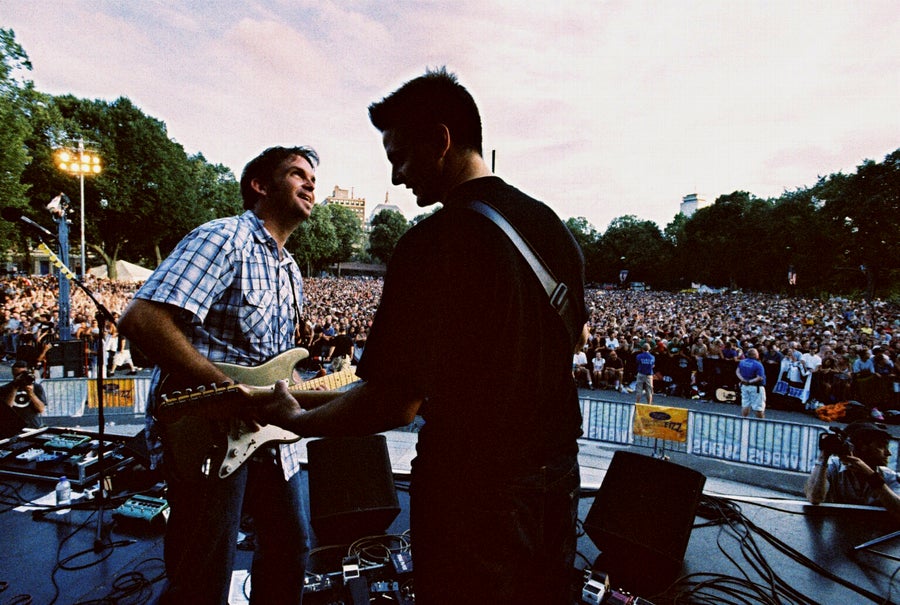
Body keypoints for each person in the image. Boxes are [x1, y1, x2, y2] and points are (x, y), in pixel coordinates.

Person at [256, 68, 587, 604]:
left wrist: (298, 421)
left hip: (472, 496)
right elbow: (569, 341)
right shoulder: (555, 230)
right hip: (555, 484)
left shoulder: (432, 244)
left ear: (441, 139)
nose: (399, 175)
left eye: (401, 156)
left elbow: (393, 402)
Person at [117, 146, 318, 605]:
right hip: (209, 430)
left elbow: (268, 361)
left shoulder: (291, 269)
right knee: (205, 567)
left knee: (291, 551)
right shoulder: (223, 238)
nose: (310, 185)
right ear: (260, 185)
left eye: (313, 179)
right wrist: (228, 392)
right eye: (296, 174)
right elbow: (143, 320)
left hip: (265, 433)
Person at [805, 421, 900, 520]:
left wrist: (871, 475)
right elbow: (814, 498)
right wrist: (823, 457)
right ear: (862, 447)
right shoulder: (832, 468)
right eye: (881, 446)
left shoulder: (888, 476)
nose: (888, 453)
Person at [0, 360, 47, 438]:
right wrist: (14, 388)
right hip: (13, 428)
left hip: (32, 427)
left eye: (23, 374)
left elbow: (41, 409)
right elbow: (6, 409)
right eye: (17, 375)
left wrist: (31, 393)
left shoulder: (37, 387)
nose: (20, 377)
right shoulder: (5, 389)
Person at [736, 347, 767, 418]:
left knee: (745, 404)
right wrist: (749, 381)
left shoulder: (742, 362)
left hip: (744, 386)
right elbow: (760, 377)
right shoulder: (758, 364)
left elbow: (737, 372)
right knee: (759, 407)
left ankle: (744, 421)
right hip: (756, 387)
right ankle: (760, 424)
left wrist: (742, 380)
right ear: (755, 355)